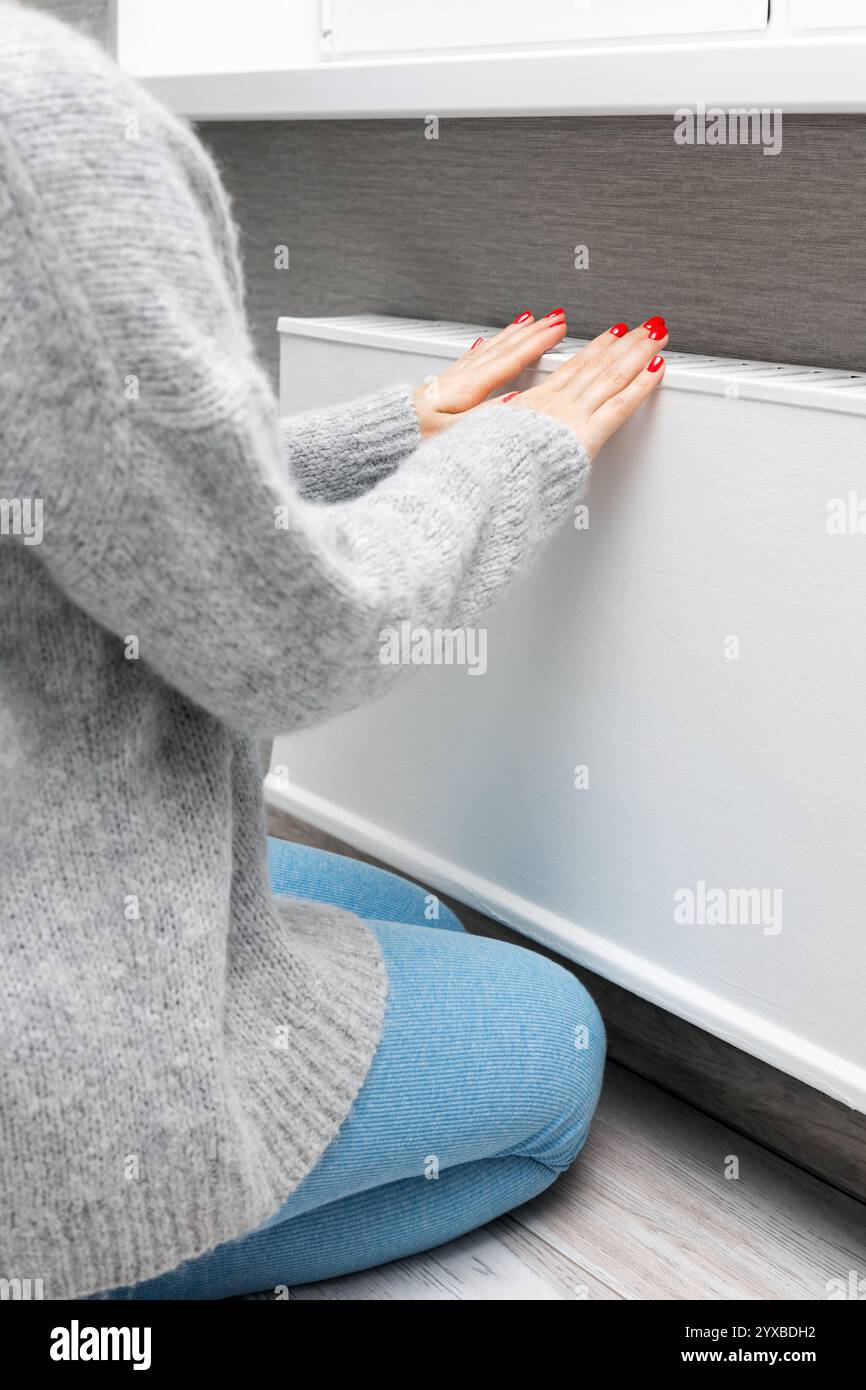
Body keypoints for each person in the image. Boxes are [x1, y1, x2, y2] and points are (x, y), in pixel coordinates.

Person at [0, 3, 667, 1299]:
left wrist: (396, 429)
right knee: (553, 1037)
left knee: (414, 914)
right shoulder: (33, 136)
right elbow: (294, 642)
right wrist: (514, 459)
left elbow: (67, 513)